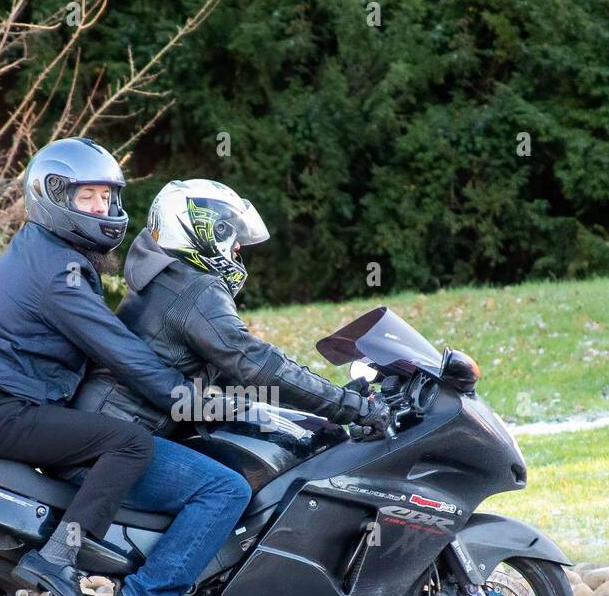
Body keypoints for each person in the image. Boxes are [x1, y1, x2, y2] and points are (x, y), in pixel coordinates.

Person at [0, 140, 250, 596]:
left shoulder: (49, 256)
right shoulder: (56, 272)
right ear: (53, 195)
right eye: (87, 198)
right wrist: (187, 398)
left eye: (107, 198)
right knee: (129, 443)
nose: (102, 210)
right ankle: (62, 562)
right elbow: (119, 350)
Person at [71, 178, 390, 442]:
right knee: (228, 490)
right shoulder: (194, 288)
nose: (237, 247)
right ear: (202, 231)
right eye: (230, 235)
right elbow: (258, 365)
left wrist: (329, 401)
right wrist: (352, 407)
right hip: (119, 435)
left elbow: (233, 378)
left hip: (105, 422)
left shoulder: (163, 277)